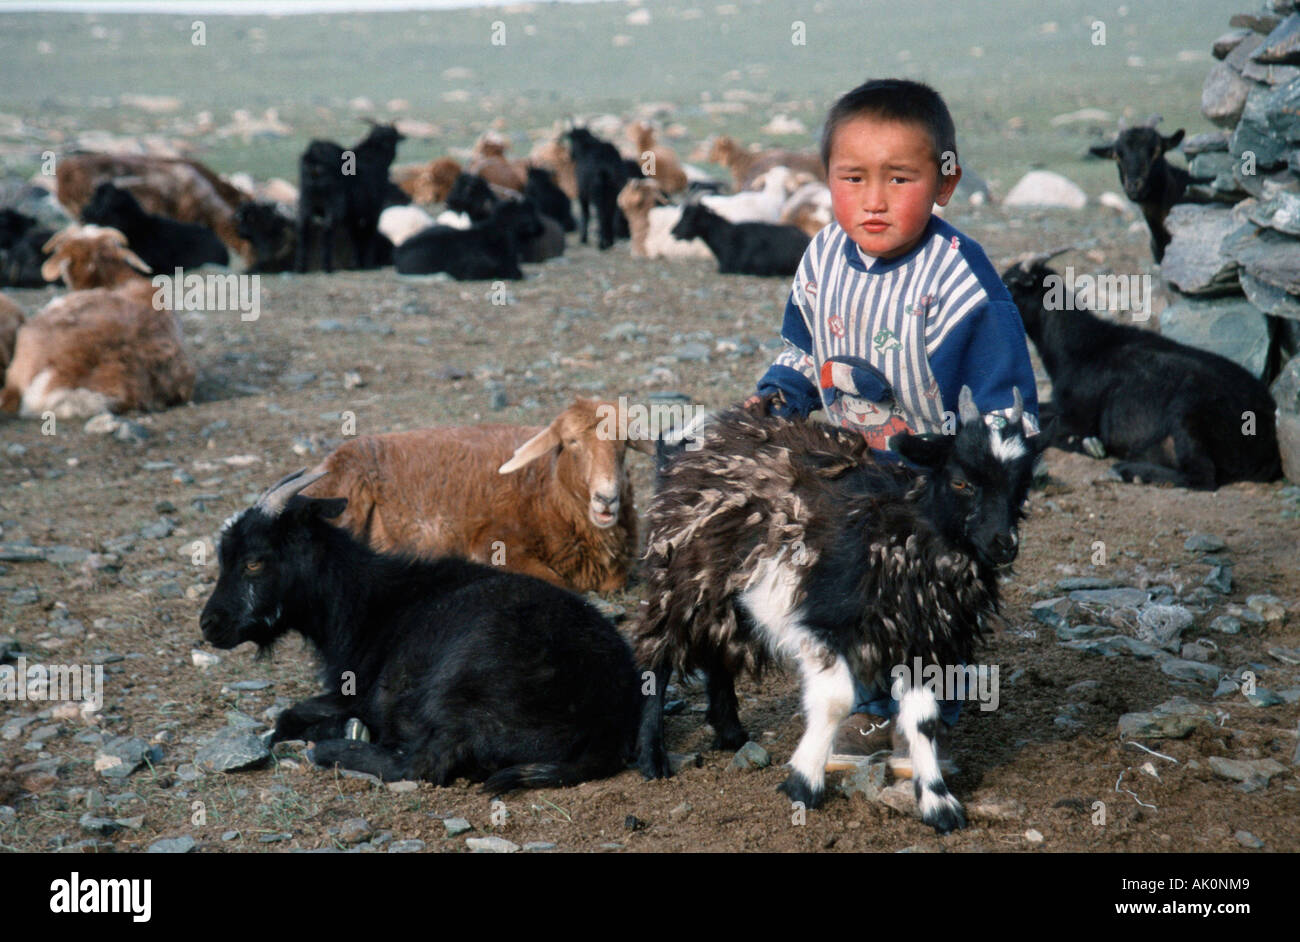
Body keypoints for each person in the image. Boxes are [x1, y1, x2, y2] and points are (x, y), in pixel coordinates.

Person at [748, 78, 1039, 776]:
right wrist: (780, 395)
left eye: (898, 178)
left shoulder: (960, 278)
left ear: (944, 183)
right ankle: (870, 710)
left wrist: (1002, 473)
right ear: (827, 181)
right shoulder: (821, 258)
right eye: (853, 178)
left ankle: (928, 716)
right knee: (853, 588)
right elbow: (804, 346)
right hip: (849, 472)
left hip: (936, 488)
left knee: (931, 605)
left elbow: (1007, 398)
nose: (873, 200)